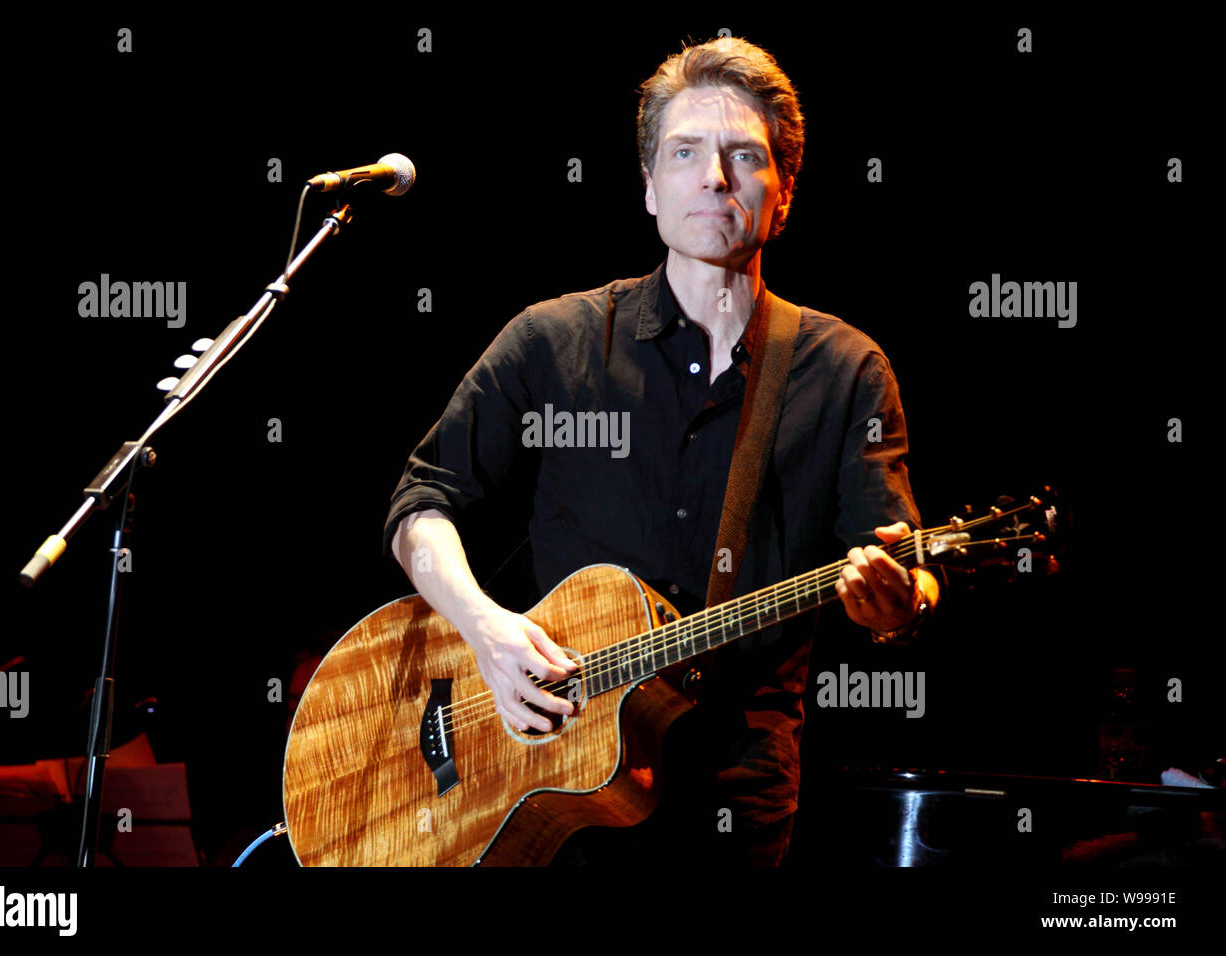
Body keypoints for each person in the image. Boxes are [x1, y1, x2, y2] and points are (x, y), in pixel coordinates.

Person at [382, 36, 940, 865]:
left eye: (744, 155)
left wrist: (903, 604)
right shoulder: (553, 341)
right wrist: (489, 632)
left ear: (783, 196)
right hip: (543, 765)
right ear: (649, 188)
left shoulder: (846, 369)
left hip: (731, 789)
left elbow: (905, 564)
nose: (713, 177)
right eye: (685, 153)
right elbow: (420, 504)